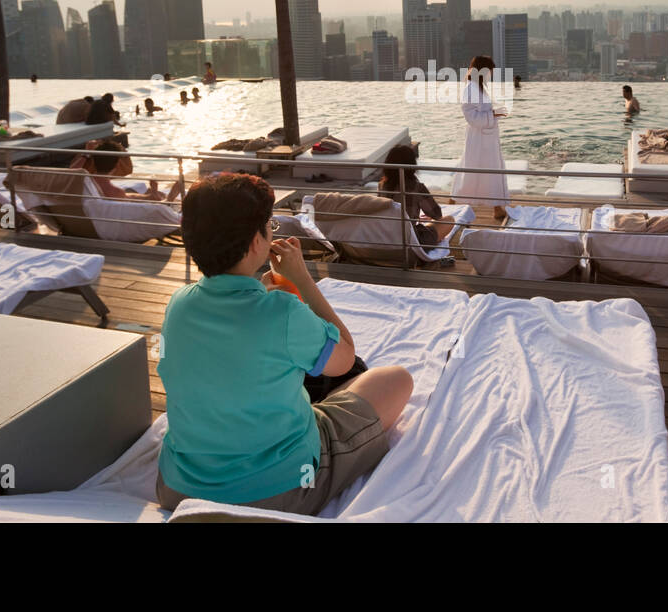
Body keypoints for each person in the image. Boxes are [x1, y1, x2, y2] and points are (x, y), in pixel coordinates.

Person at [155, 172, 412, 513]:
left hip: (178, 486)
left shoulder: (179, 303)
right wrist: (303, 279)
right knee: (395, 379)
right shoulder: (283, 313)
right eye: (269, 225)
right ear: (255, 242)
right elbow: (345, 358)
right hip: (281, 487)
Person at [451, 55, 511, 221]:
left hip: (486, 138)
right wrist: (495, 113)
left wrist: (496, 112)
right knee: (477, 169)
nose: (491, 74)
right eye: (489, 70)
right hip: (479, 138)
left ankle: (496, 207)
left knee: (482, 169)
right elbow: (472, 117)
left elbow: (481, 111)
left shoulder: (478, 87)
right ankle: (495, 208)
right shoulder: (470, 89)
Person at [378, 144, 455, 248]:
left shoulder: (382, 185)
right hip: (410, 241)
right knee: (449, 219)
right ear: (412, 165)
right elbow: (437, 214)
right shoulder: (416, 187)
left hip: (385, 236)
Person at [70, 137, 182, 202]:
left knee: (135, 194)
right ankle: (168, 201)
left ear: (94, 161)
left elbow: (71, 172)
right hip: (116, 215)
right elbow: (129, 202)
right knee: (156, 198)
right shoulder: (114, 192)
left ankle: (152, 196)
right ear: (118, 163)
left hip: (103, 204)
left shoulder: (87, 183)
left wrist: (88, 153)